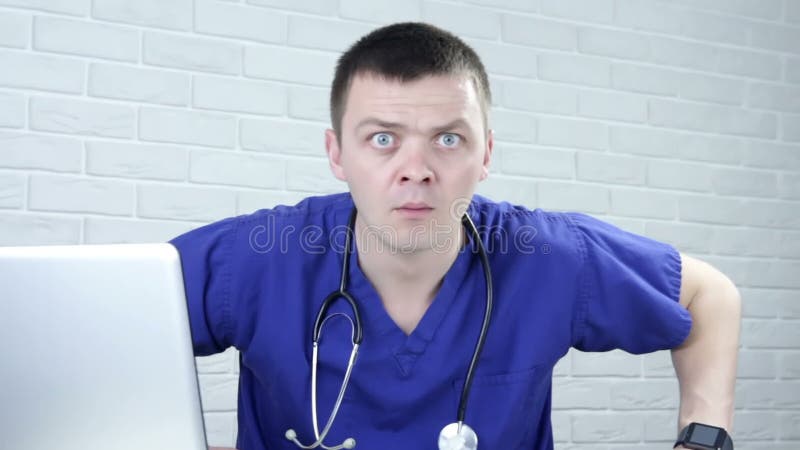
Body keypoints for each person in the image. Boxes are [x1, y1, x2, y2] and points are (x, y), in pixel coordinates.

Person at [171, 22, 741, 450]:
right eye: (382, 139)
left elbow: (708, 295)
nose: (416, 170)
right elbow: (121, 316)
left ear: (485, 154)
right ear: (336, 153)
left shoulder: (547, 258)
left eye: (448, 139)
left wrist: (703, 437)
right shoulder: (259, 258)